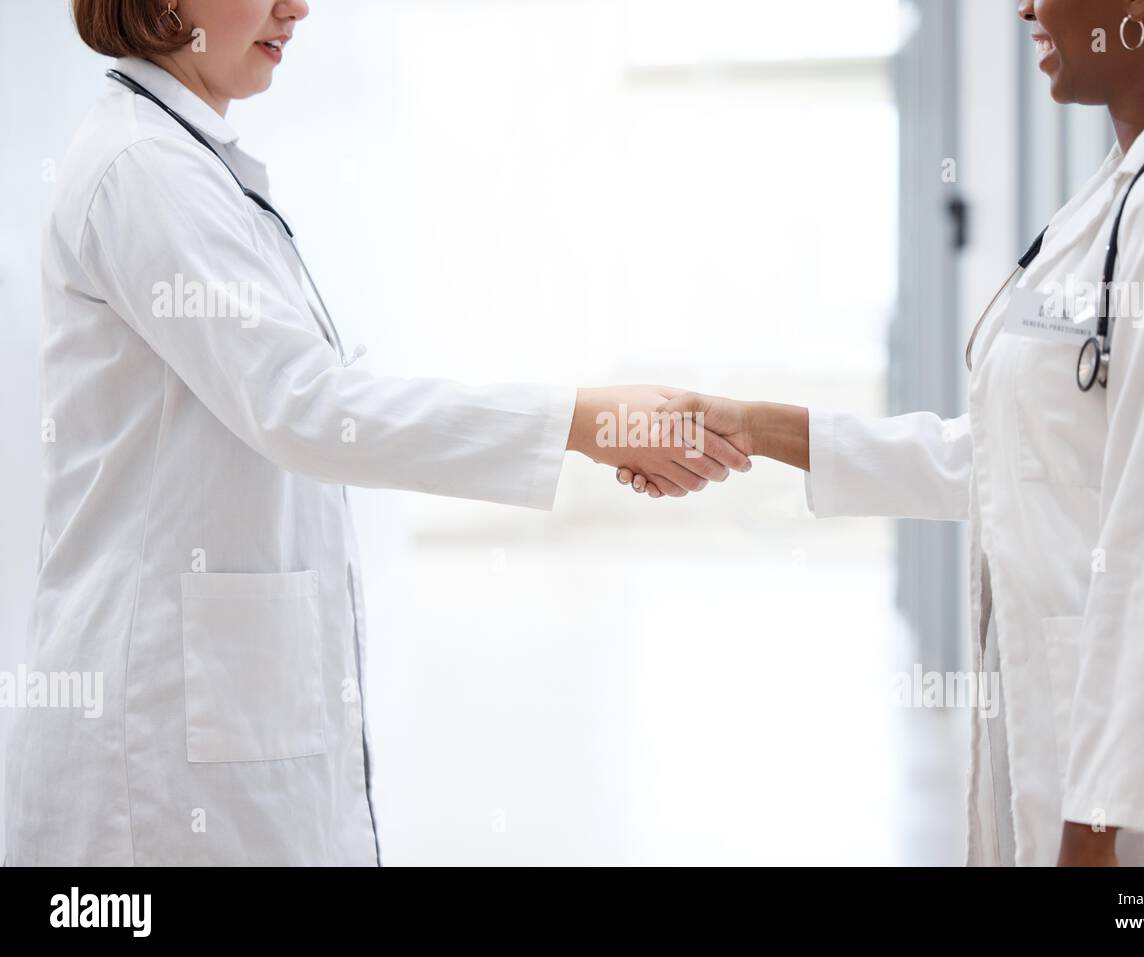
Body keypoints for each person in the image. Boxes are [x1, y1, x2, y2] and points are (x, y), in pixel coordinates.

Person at [4, 0, 750, 865]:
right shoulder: (143, 169)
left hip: (206, 714)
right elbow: (309, 406)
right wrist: (581, 421)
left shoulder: (190, 159)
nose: (297, 6)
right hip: (144, 762)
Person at [621, 0, 1144, 866]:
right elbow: (1008, 458)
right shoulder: (1126, 189)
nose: (1026, 6)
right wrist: (751, 426)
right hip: (1096, 736)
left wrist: (1093, 824)